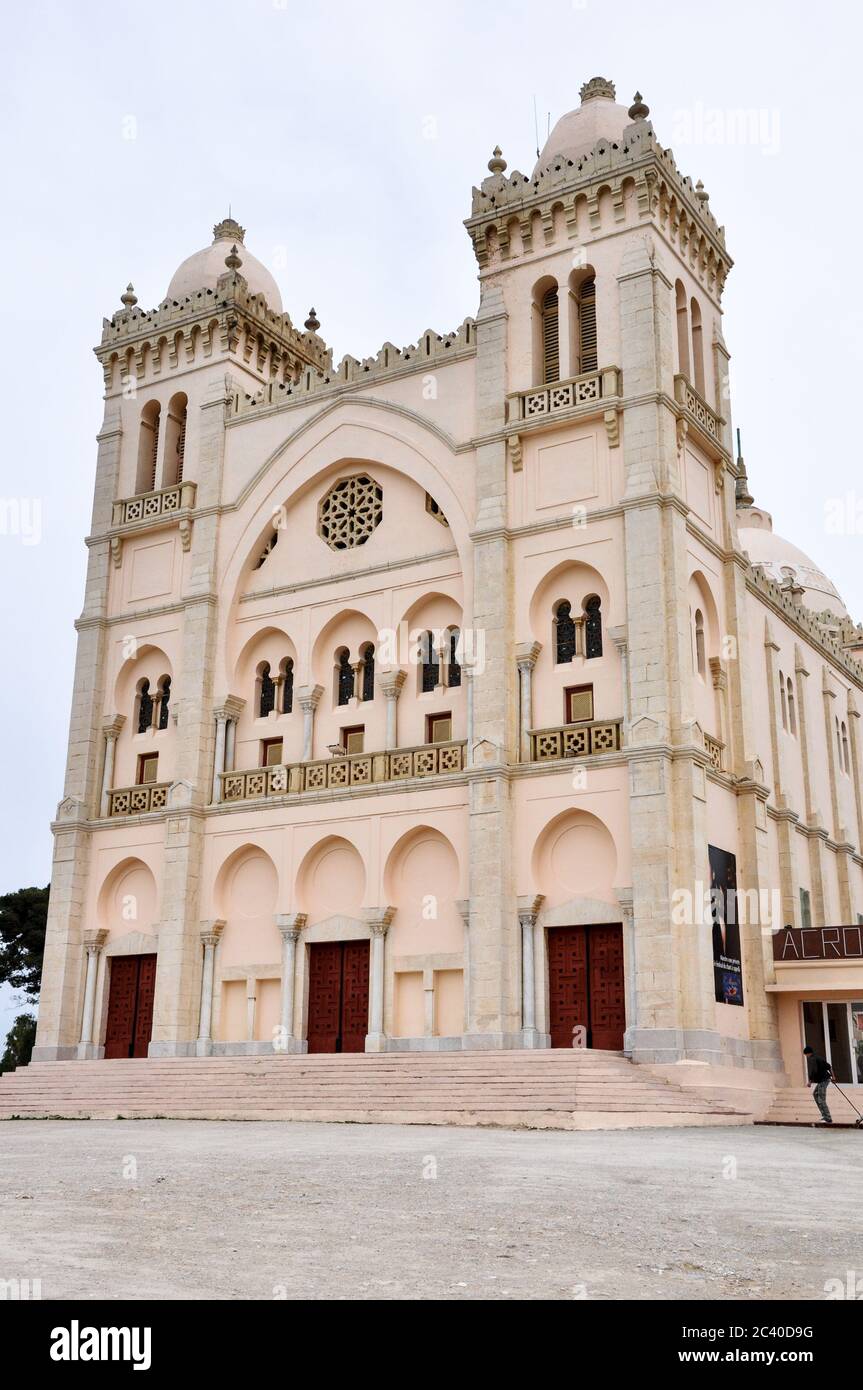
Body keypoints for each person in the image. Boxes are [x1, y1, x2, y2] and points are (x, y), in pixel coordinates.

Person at [803, 1045, 833, 1124]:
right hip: (824, 1080)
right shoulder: (819, 1058)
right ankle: (824, 1115)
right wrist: (833, 1077)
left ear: (808, 1053)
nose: (806, 1057)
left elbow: (814, 1071)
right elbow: (829, 1067)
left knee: (821, 1099)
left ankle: (828, 1118)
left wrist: (810, 1081)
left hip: (823, 1080)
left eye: (806, 1055)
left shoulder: (813, 1059)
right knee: (815, 1094)